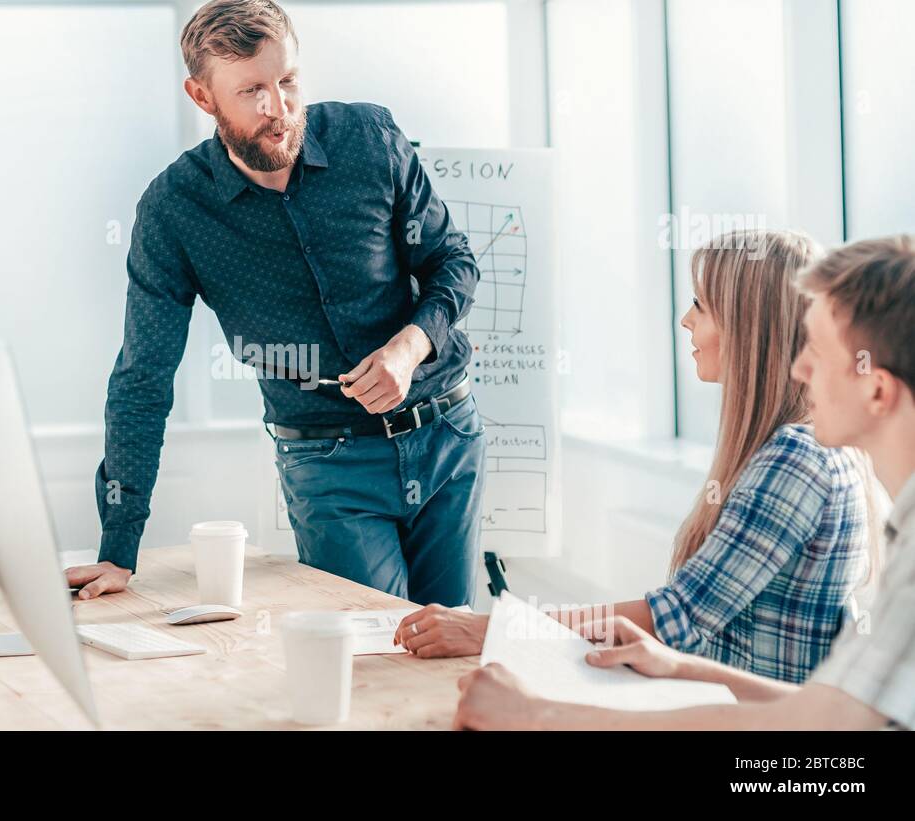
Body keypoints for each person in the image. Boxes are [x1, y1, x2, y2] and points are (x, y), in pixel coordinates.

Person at [67, 0, 487, 605]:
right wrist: (118, 547)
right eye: (251, 91)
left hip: (447, 433)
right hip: (327, 460)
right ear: (203, 97)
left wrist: (408, 347)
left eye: (287, 81)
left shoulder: (370, 138)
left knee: (454, 643)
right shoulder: (174, 210)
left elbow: (453, 261)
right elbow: (143, 376)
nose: (279, 109)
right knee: (373, 646)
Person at [453, 235, 915, 730]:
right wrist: (683, 667)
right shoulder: (879, 501)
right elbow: (830, 708)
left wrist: (527, 701)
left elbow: (682, 619)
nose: (800, 366)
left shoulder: (798, 458)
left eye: (818, 351)